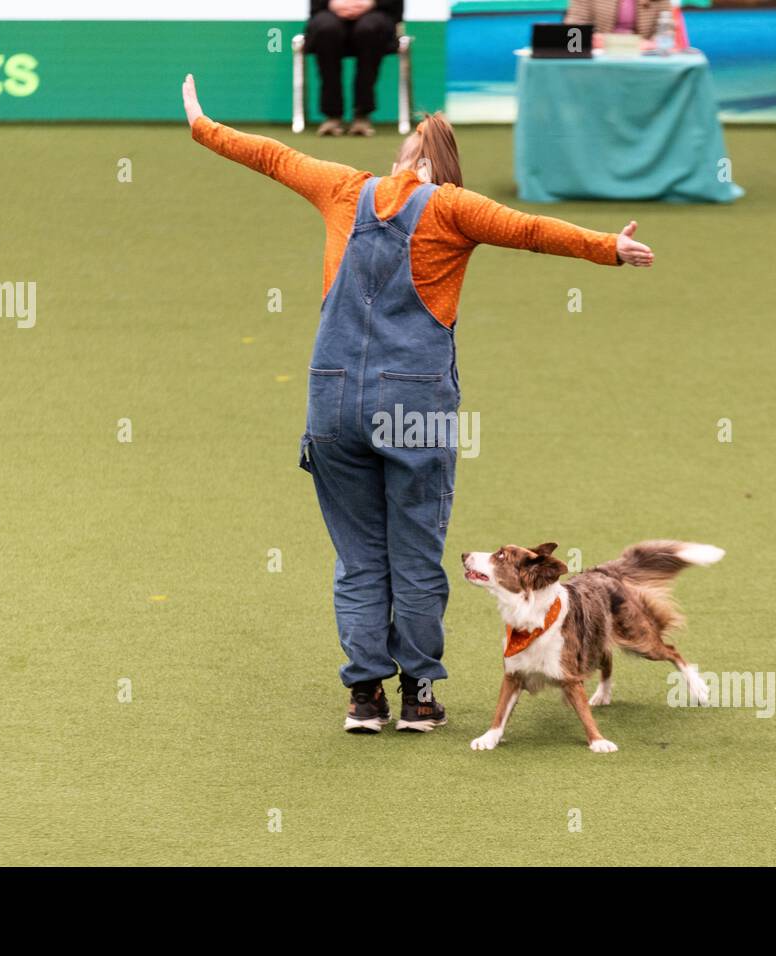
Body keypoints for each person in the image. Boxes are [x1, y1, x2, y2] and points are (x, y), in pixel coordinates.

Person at [181, 74, 654, 735]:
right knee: (415, 557)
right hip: (415, 408)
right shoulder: (453, 206)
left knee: (359, 559)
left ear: (409, 158)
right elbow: (530, 229)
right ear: (439, 168)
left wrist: (202, 124)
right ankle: (420, 696)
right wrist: (608, 247)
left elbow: (269, 155)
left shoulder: (344, 187)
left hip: (334, 402)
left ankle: (364, 698)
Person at [305, 0, 401, 137]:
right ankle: (332, 115)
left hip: (378, 12)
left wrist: (370, 3)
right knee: (326, 29)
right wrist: (334, 3)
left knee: (369, 29)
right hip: (329, 11)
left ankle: (362, 114)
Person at [566, 0, 661, 49]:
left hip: (643, 60)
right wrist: (590, 39)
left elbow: (666, 33)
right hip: (597, 61)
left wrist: (654, 44)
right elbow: (574, 32)